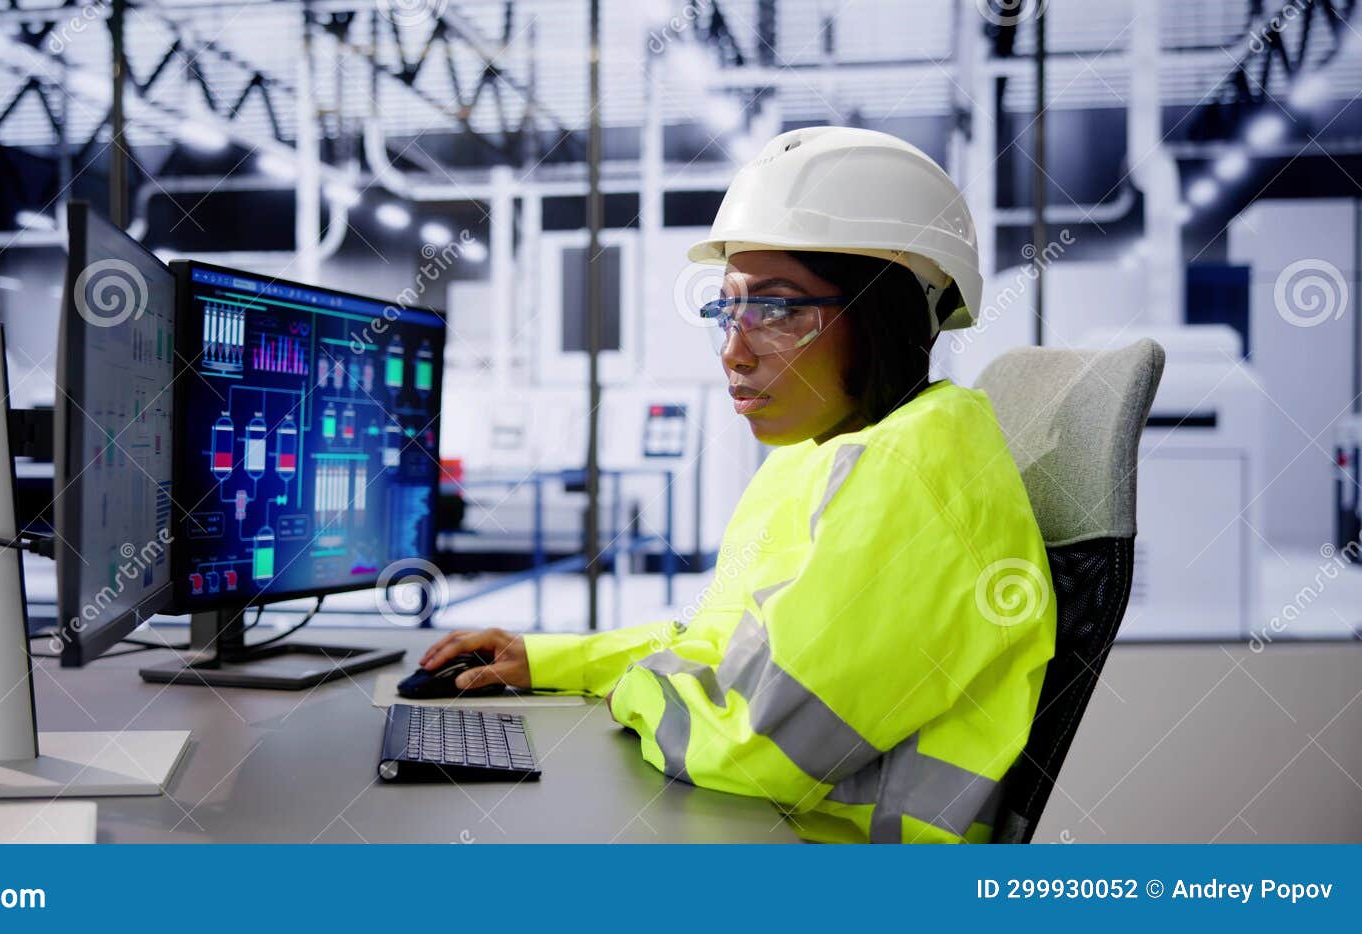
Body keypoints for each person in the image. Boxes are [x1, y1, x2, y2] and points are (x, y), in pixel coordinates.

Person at [419, 127, 1057, 843]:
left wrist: (631, 688)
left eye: (778, 309)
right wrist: (550, 660)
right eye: (727, 307)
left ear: (888, 314)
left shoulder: (916, 468)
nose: (734, 349)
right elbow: (721, 649)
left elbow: (754, 746)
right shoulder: (819, 454)